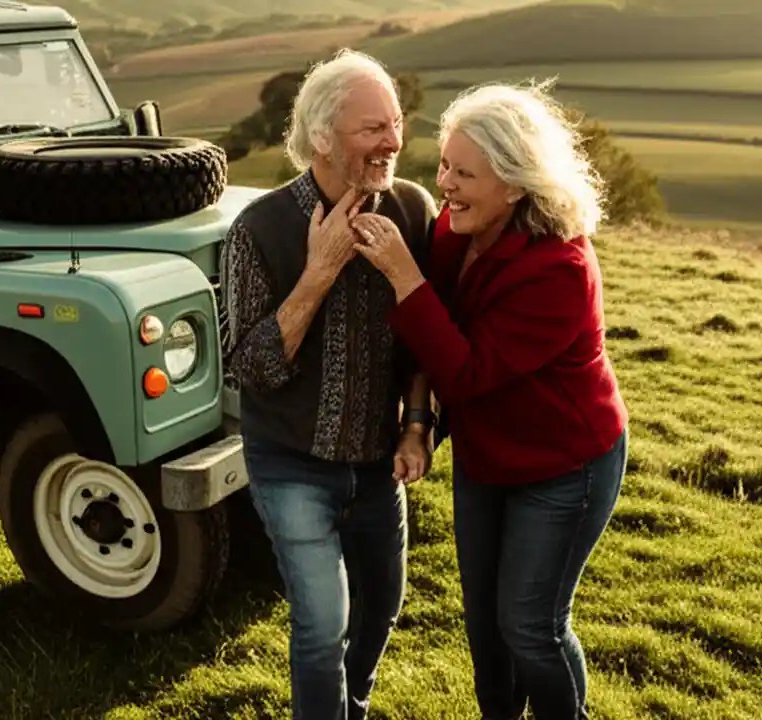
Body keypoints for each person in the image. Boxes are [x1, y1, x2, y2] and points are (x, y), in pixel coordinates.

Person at [350, 81, 629, 720]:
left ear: (516, 181)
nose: (444, 183)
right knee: (485, 626)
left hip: (565, 464)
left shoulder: (559, 266)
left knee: (530, 624)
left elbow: (468, 370)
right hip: (488, 457)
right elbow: (433, 334)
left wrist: (402, 274)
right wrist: (416, 424)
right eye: (444, 163)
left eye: (463, 173)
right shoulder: (456, 229)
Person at [220, 48, 439, 720]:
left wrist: (416, 425)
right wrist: (317, 274)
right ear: (321, 137)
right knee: (321, 628)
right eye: (372, 127)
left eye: (395, 122)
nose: (393, 141)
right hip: (290, 466)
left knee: (380, 612)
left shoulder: (412, 208)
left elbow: (431, 335)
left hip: (380, 469)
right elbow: (250, 369)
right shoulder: (260, 228)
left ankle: (355, 705)